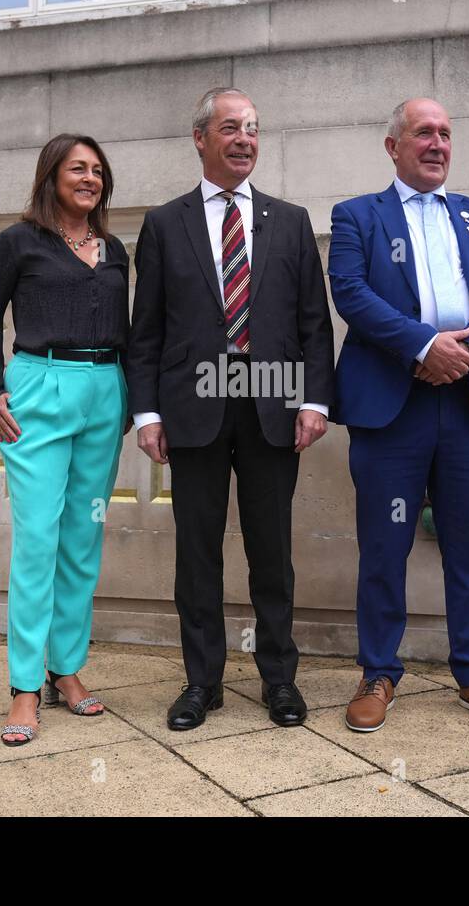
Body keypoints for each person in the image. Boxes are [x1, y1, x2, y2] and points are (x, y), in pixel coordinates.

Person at [126, 88, 335, 731]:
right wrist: (147, 415)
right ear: (201, 138)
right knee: (198, 553)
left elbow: (313, 325)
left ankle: (279, 680)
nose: (244, 139)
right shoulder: (165, 223)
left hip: (271, 405)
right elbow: (147, 330)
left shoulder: (291, 220)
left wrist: (314, 400)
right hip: (194, 411)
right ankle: (202, 682)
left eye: (252, 128)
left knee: (272, 552)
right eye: (230, 128)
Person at [327, 98, 469, 734]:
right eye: (423, 133)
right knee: (384, 549)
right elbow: (351, 294)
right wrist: (423, 345)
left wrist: (465, 350)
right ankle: (379, 673)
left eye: (445, 134)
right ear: (394, 146)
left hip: (468, 406)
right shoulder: (357, 216)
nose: (437, 144)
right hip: (393, 409)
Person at [0, 134, 130, 746]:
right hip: (38, 387)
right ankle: (24, 686)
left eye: (97, 170)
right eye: (76, 169)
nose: (89, 178)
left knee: (82, 540)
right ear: (51, 177)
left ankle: (66, 669)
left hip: (103, 391)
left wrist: (136, 402)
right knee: (38, 539)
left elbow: (128, 329)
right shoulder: (18, 241)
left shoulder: (114, 249)